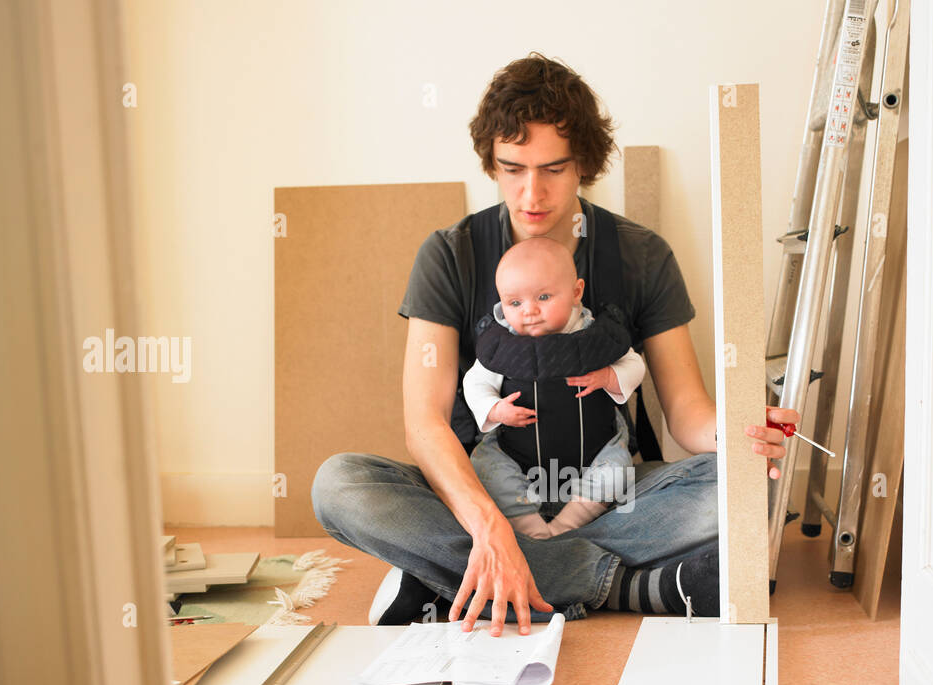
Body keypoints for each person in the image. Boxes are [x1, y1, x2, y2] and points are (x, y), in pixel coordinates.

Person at [312, 52, 799, 636]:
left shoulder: (642, 256)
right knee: (340, 485)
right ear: (491, 164)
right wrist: (490, 526)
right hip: (482, 489)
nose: (531, 193)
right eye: (512, 169)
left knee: (751, 488)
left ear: (585, 165)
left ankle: (457, 586)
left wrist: (739, 431)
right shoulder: (449, 255)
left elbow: (688, 414)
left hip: (605, 486)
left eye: (554, 169)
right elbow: (425, 425)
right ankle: (623, 586)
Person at [465, 235, 645, 540]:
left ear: (576, 292)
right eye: (514, 303)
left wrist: (607, 377)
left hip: (594, 453)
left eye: (544, 297)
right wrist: (496, 409)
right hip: (517, 456)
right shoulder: (502, 345)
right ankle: (533, 532)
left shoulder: (597, 336)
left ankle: (567, 527)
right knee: (483, 468)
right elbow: (475, 382)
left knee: (617, 471)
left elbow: (635, 365)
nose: (529, 311)